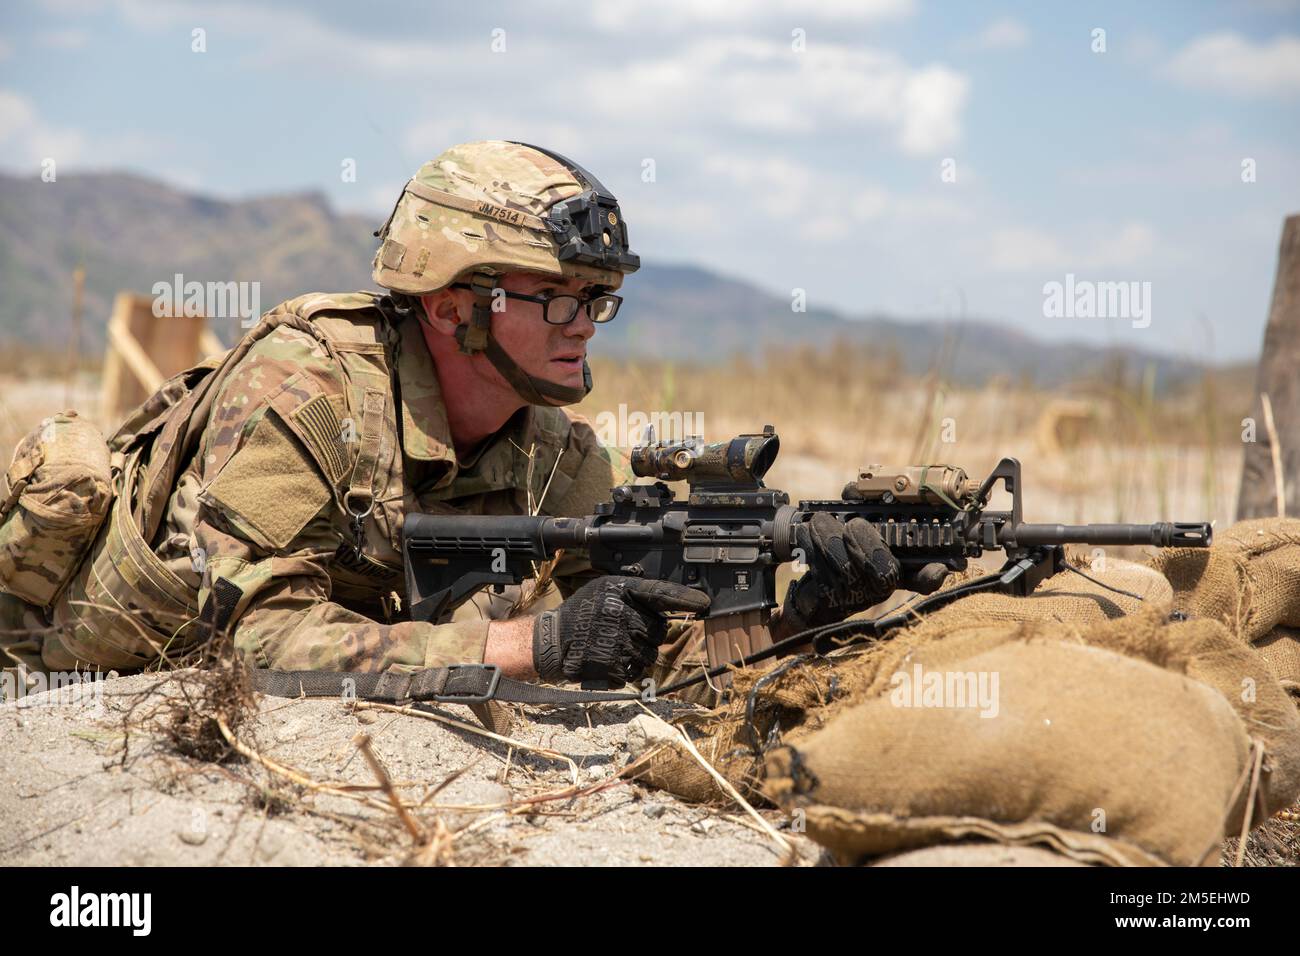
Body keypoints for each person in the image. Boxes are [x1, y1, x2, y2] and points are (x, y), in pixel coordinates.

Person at [0, 140, 902, 700]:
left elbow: (647, 655)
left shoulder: (560, 454)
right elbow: (256, 643)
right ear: (447, 304)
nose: (584, 322)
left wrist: (796, 617)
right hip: (67, 650)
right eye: (553, 297)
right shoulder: (307, 393)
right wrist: (532, 643)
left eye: (597, 298)